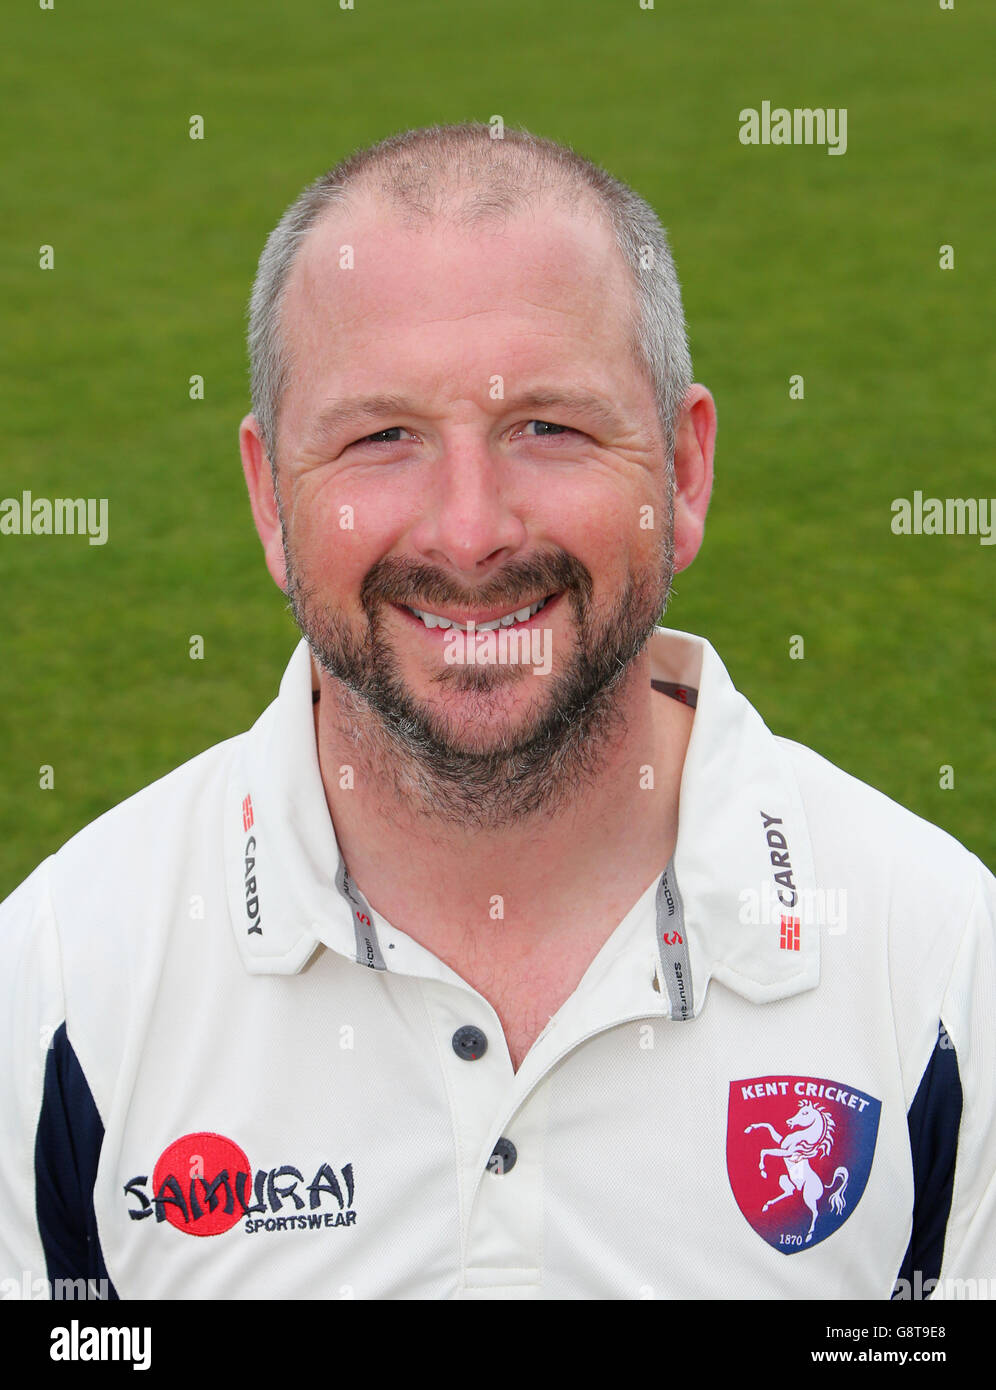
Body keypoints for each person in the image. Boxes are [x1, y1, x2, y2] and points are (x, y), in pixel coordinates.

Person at [0, 123, 992, 1301]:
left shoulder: (947, 972)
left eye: (547, 428)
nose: (471, 531)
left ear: (683, 471)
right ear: (270, 497)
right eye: (383, 439)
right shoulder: (58, 988)